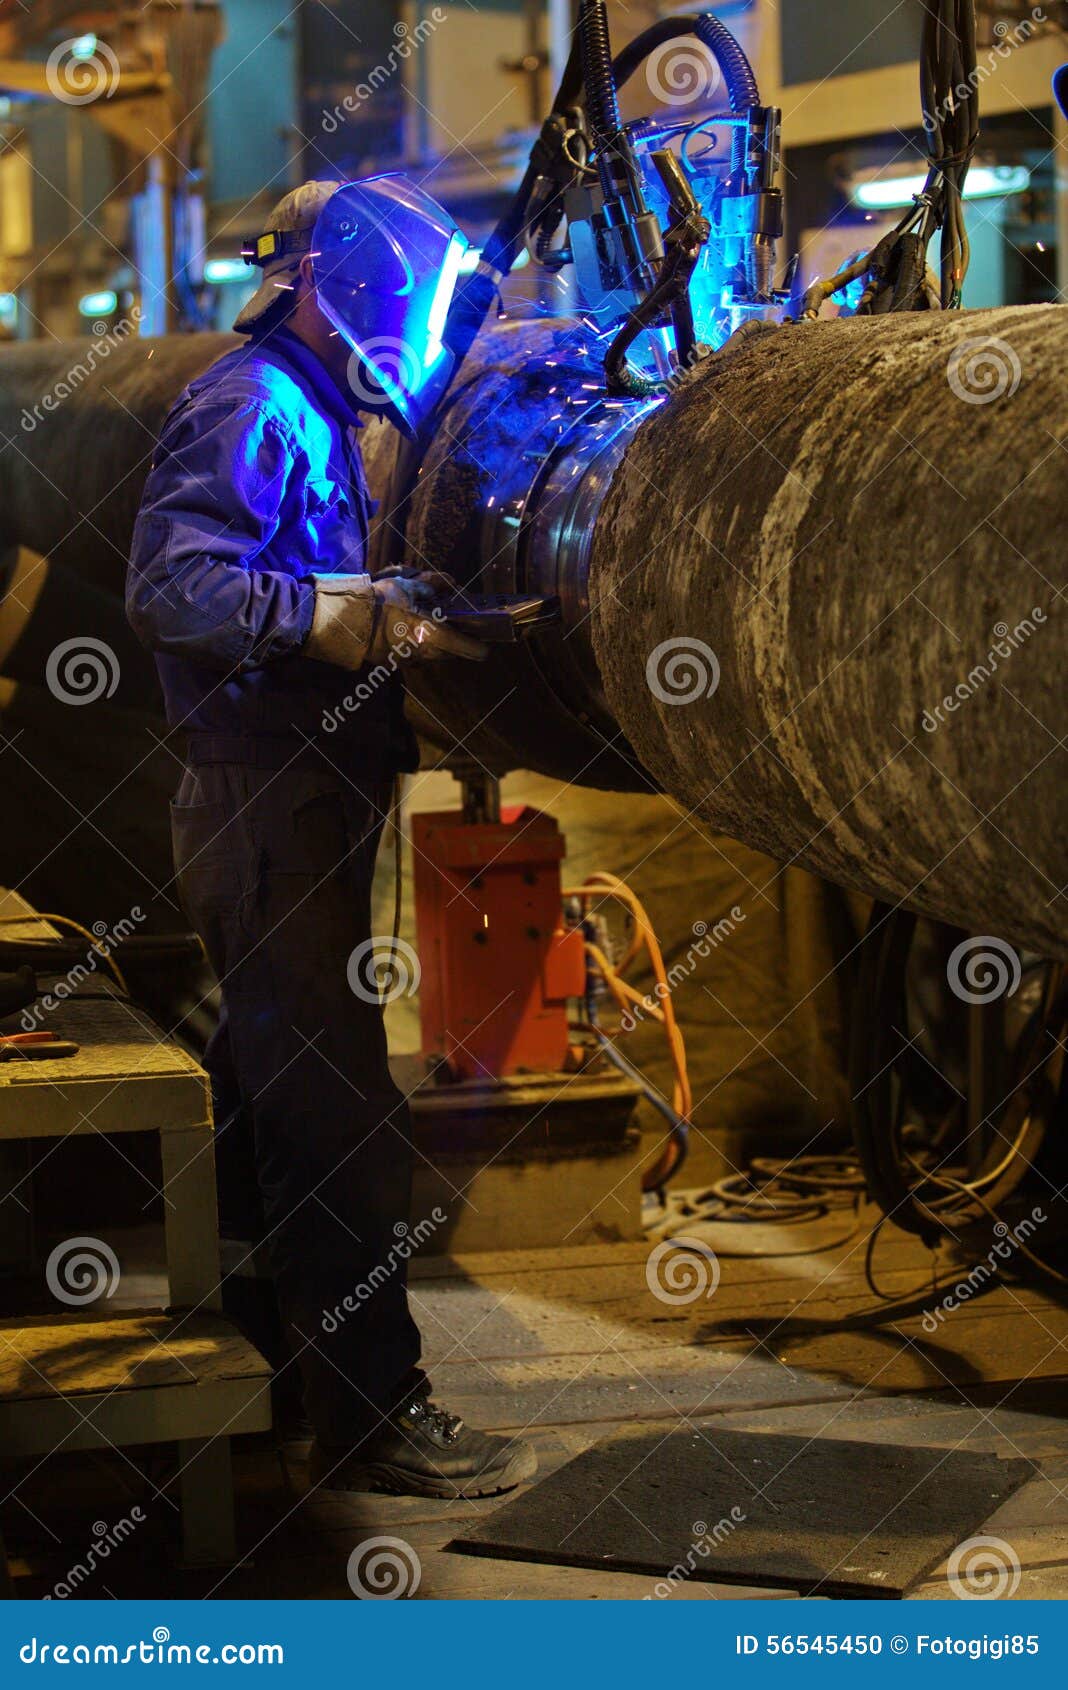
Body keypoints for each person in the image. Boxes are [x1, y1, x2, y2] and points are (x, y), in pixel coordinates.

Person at [126, 175, 536, 1499]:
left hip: (296, 802)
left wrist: (394, 604)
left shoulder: (312, 406)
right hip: (264, 800)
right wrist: (332, 618)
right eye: (404, 304)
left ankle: (271, 1379)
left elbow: (300, 575)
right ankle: (376, 1410)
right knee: (337, 1119)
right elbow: (171, 582)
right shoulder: (251, 399)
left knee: (265, 1104)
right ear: (337, 289)